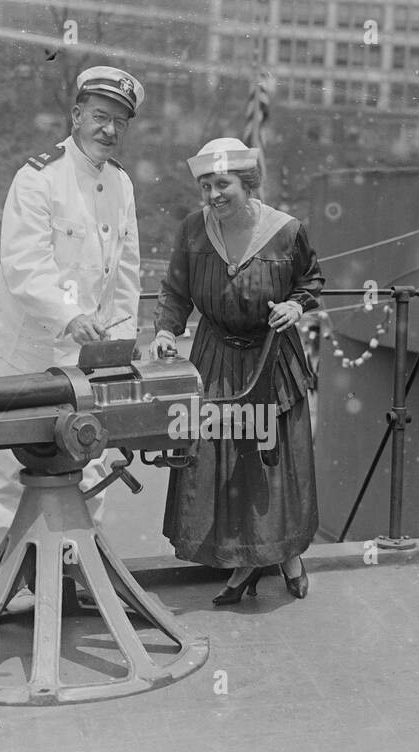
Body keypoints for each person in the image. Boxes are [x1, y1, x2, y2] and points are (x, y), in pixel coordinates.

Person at [0, 66, 144, 568]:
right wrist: (70, 315)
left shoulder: (121, 185)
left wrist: (120, 344)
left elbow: (125, 276)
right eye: (99, 116)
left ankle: (78, 577)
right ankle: (1, 590)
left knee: (89, 462)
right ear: (76, 116)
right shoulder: (38, 177)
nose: (109, 130)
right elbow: (24, 266)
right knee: (14, 470)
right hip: (21, 348)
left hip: (83, 353)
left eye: (119, 121)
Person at [151, 137, 322, 603]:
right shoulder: (193, 230)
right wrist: (166, 331)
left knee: (271, 462)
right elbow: (175, 291)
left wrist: (294, 304)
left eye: (222, 184)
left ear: (248, 183)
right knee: (221, 459)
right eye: (205, 185)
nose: (212, 195)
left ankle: (283, 555)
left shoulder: (287, 231)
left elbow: (311, 279)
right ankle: (243, 561)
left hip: (272, 360)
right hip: (215, 359)